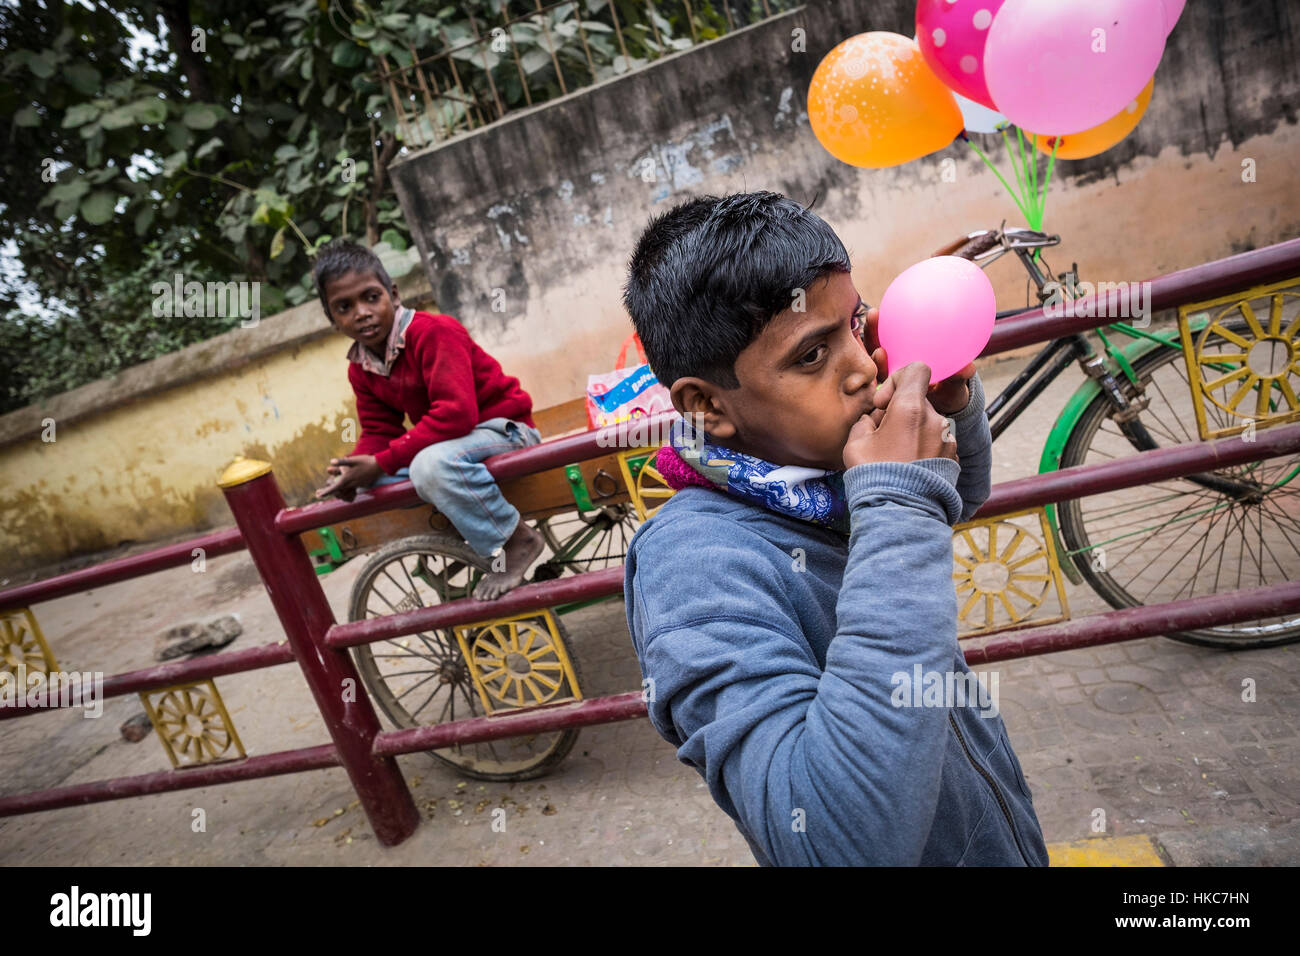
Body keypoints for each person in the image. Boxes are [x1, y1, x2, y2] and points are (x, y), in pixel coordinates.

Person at [620, 191, 1049, 865]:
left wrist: (949, 404)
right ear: (707, 405)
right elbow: (830, 839)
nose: (863, 366)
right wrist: (897, 503)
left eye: (855, 324)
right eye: (813, 355)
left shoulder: (812, 472)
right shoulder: (694, 570)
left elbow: (957, 498)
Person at [312, 240, 544, 600]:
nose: (361, 312)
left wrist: (382, 461)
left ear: (393, 294)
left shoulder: (433, 332)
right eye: (344, 307)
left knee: (427, 466)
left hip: (504, 431)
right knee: (373, 481)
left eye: (371, 297)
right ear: (332, 319)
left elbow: (456, 413)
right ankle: (458, 514)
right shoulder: (362, 366)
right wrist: (353, 470)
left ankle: (518, 539)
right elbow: (379, 431)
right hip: (454, 446)